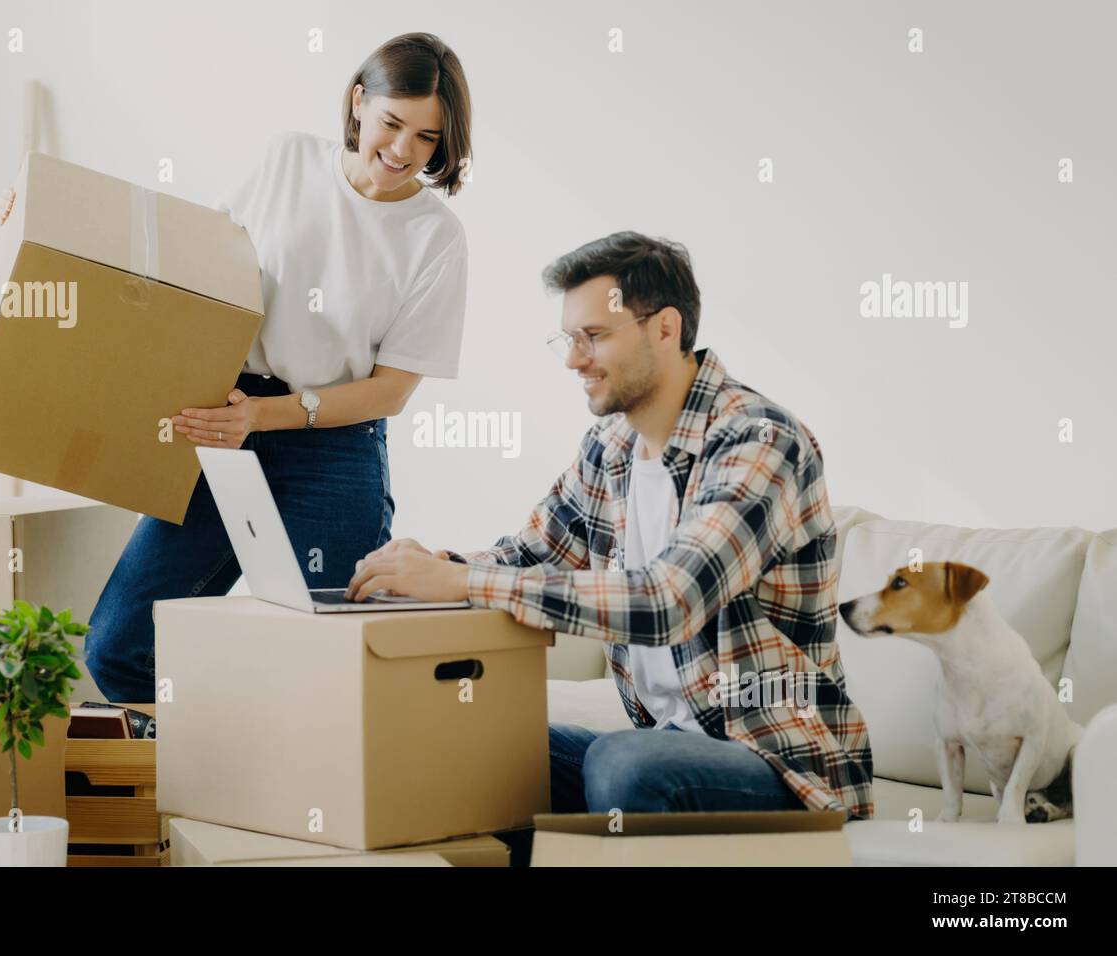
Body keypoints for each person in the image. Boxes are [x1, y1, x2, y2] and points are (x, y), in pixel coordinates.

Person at [0, 33, 474, 704]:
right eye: (393, 124)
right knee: (119, 647)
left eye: (427, 138)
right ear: (360, 102)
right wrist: (39, 223)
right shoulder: (287, 161)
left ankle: (292, 783)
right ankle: (227, 753)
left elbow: (390, 392)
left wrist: (267, 416)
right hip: (225, 418)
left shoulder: (435, 238)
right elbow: (183, 260)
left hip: (332, 444)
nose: (402, 152)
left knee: (330, 662)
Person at [346, 231, 874, 819]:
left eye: (593, 337)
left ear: (665, 329)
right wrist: (435, 569)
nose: (574, 360)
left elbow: (668, 601)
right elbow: (530, 554)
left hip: (781, 764)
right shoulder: (612, 446)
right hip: (666, 748)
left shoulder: (757, 439)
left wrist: (464, 585)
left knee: (624, 765)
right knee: (470, 742)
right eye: (568, 340)